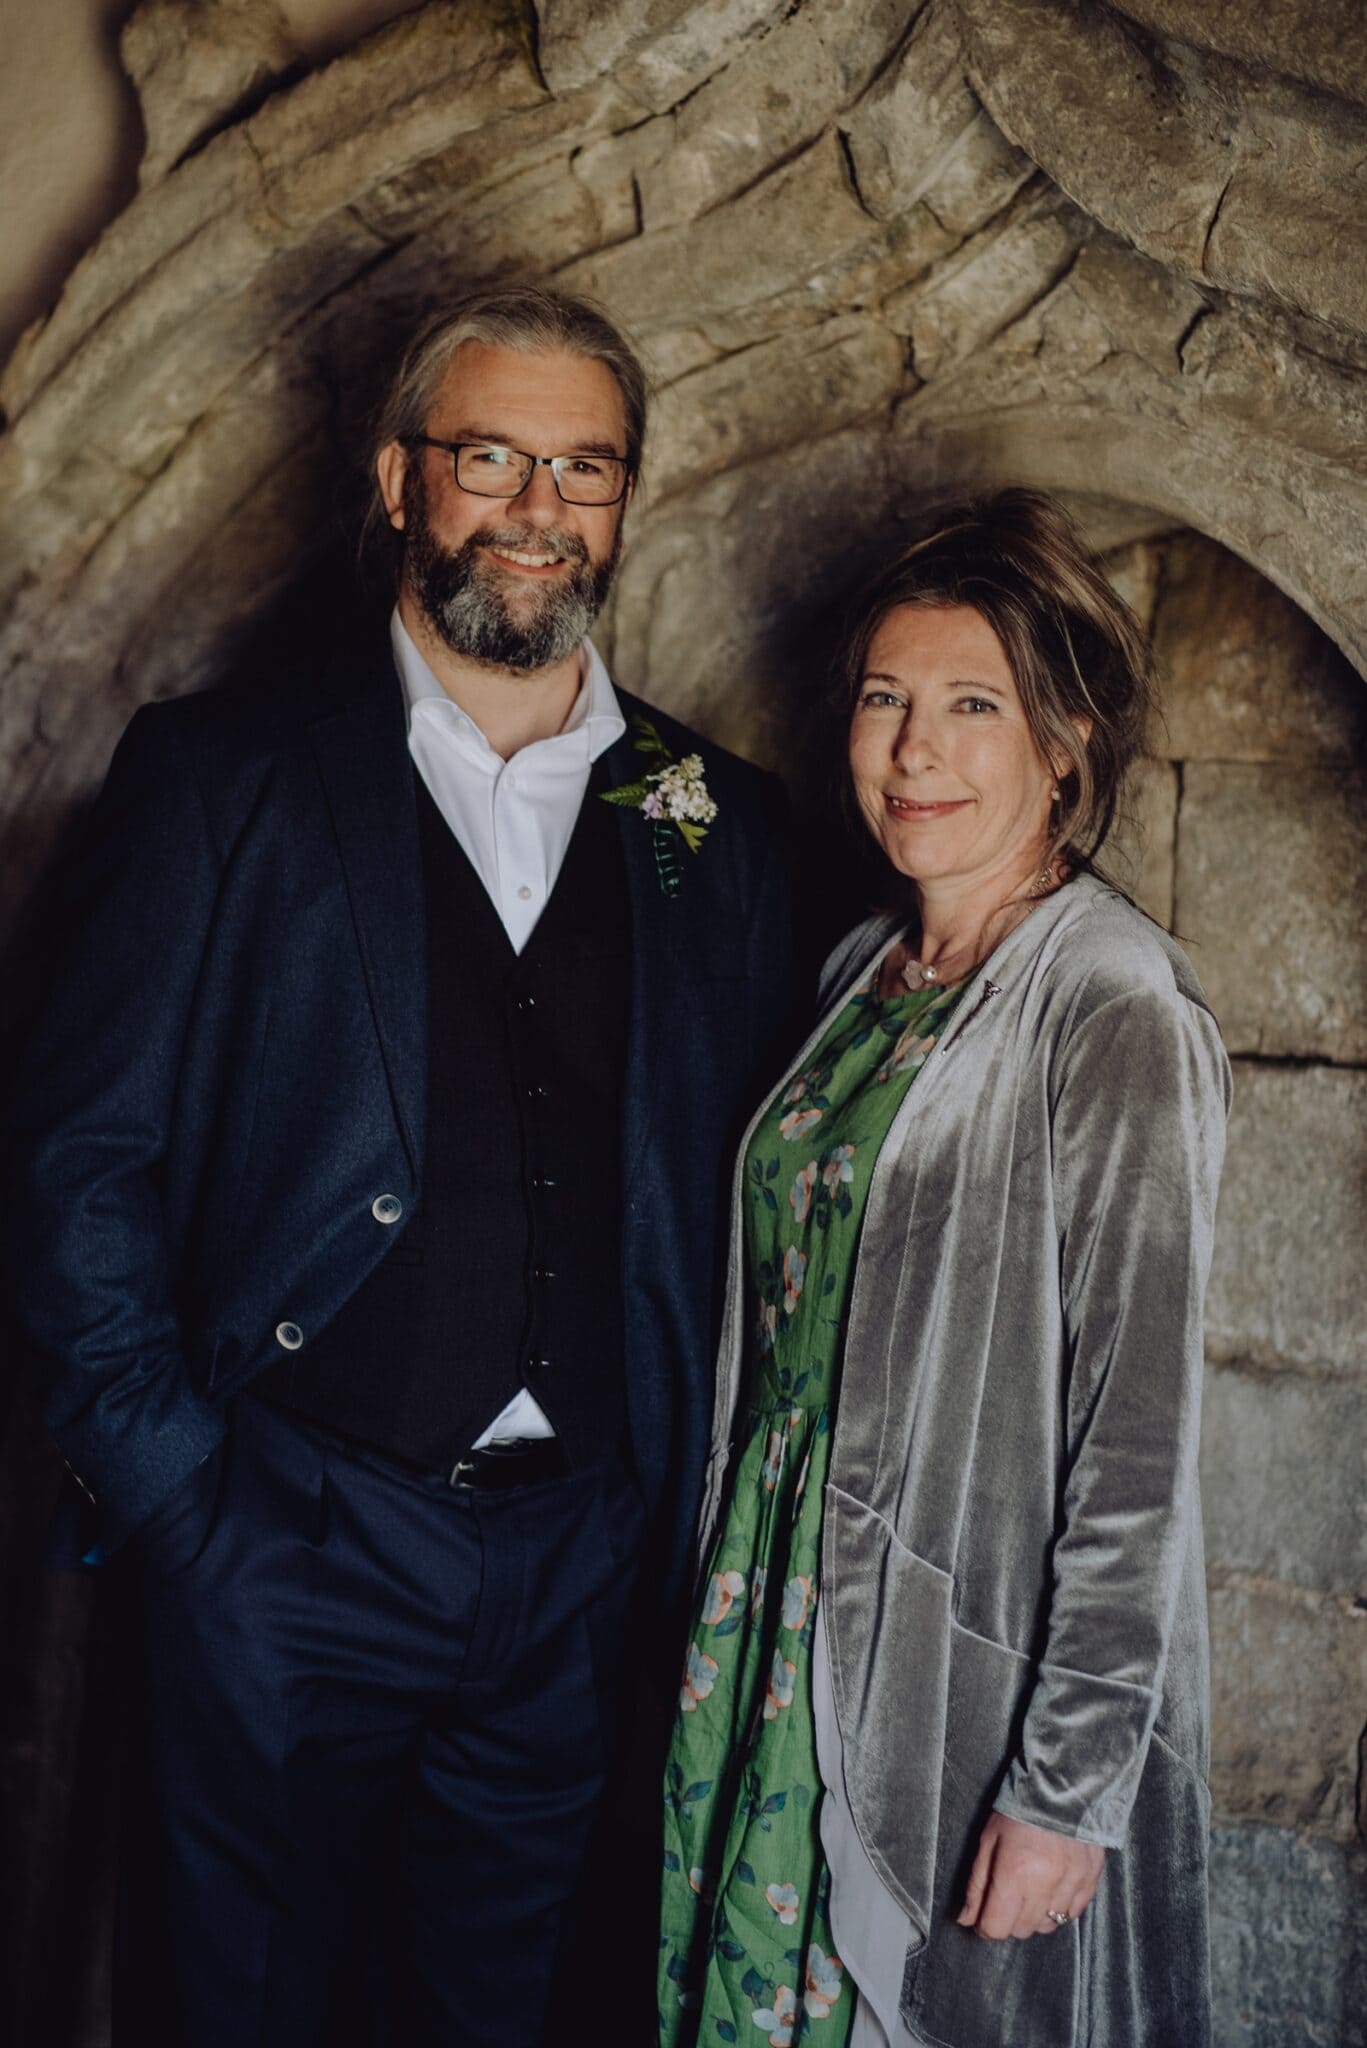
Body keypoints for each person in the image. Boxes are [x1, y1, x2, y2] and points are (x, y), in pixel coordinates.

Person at [6, 283, 794, 2047]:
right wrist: (181, 1498)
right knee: (243, 2006)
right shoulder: (227, 774)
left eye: (584, 468)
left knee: (503, 2011)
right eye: (491, 457)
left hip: (576, 1568)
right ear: (398, 479)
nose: (539, 507)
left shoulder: (702, 814)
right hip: (283, 1538)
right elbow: (77, 1158)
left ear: (626, 499)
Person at [658, 489, 1230, 2047]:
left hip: (953, 1676)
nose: (916, 750)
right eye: (885, 699)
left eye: (975, 705)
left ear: (1066, 743)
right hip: (773, 1613)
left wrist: (1067, 1787)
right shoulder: (866, 969)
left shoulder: (1113, 1003)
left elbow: (1138, 1445)